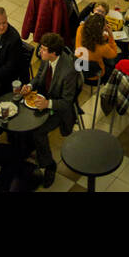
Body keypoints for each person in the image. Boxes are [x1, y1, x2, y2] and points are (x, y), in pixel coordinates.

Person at [21, 32, 79, 188]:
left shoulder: (69, 71)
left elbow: (67, 103)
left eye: (44, 49)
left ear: (54, 53)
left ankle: (49, 165)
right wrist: (30, 86)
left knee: (38, 132)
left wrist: (48, 104)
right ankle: (28, 149)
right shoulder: (47, 60)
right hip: (43, 98)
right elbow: (39, 77)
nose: (40, 51)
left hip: (58, 109)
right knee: (23, 117)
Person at [75, 12, 119, 80]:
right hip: (96, 75)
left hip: (79, 71)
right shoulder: (102, 47)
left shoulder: (80, 29)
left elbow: (91, 34)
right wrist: (110, 35)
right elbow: (114, 53)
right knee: (114, 64)